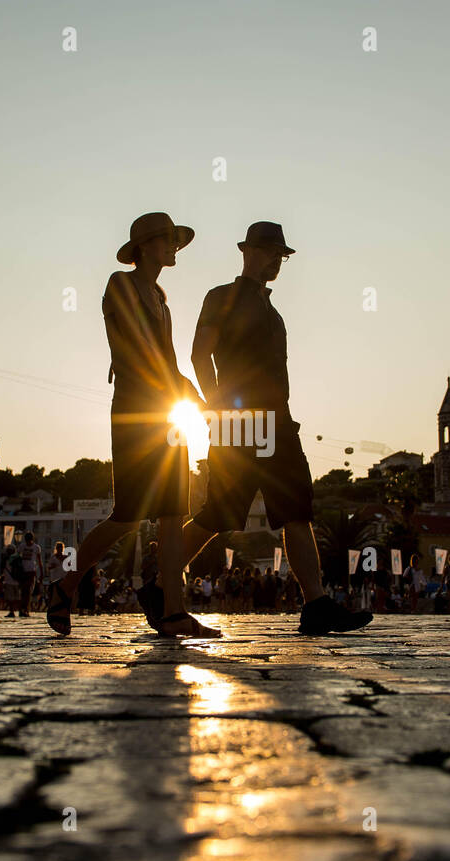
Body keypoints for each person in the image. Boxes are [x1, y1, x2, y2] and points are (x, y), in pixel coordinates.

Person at [182, 221, 371, 636]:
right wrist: (217, 409)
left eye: (281, 255)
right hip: (240, 421)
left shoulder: (273, 311)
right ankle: (158, 578)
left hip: (279, 423)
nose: (277, 261)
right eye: (271, 252)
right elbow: (200, 355)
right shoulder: (221, 297)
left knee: (297, 512)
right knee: (221, 514)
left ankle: (317, 605)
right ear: (247, 251)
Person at [47, 212, 212, 638]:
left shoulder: (161, 296)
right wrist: (179, 385)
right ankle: (66, 585)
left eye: (175, 240)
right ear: (144, 246)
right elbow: (139, 347)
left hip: (165, 411)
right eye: (167, 240)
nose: (174, 247)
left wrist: (187, 393)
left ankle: (173, 610)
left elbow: (168, 358)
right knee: (128, 516)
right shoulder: (120, 284)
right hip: (135, 409)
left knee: (175, 509)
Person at [18, 532, 42, 618]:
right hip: (23, 571)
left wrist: (41, 573)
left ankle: (25, 609)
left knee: (28, 592)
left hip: (31, 571)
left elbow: (39, 561)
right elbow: (18, 557)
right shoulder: (22, 546)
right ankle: (22, 609)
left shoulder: (36, 547)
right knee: (23, 591)